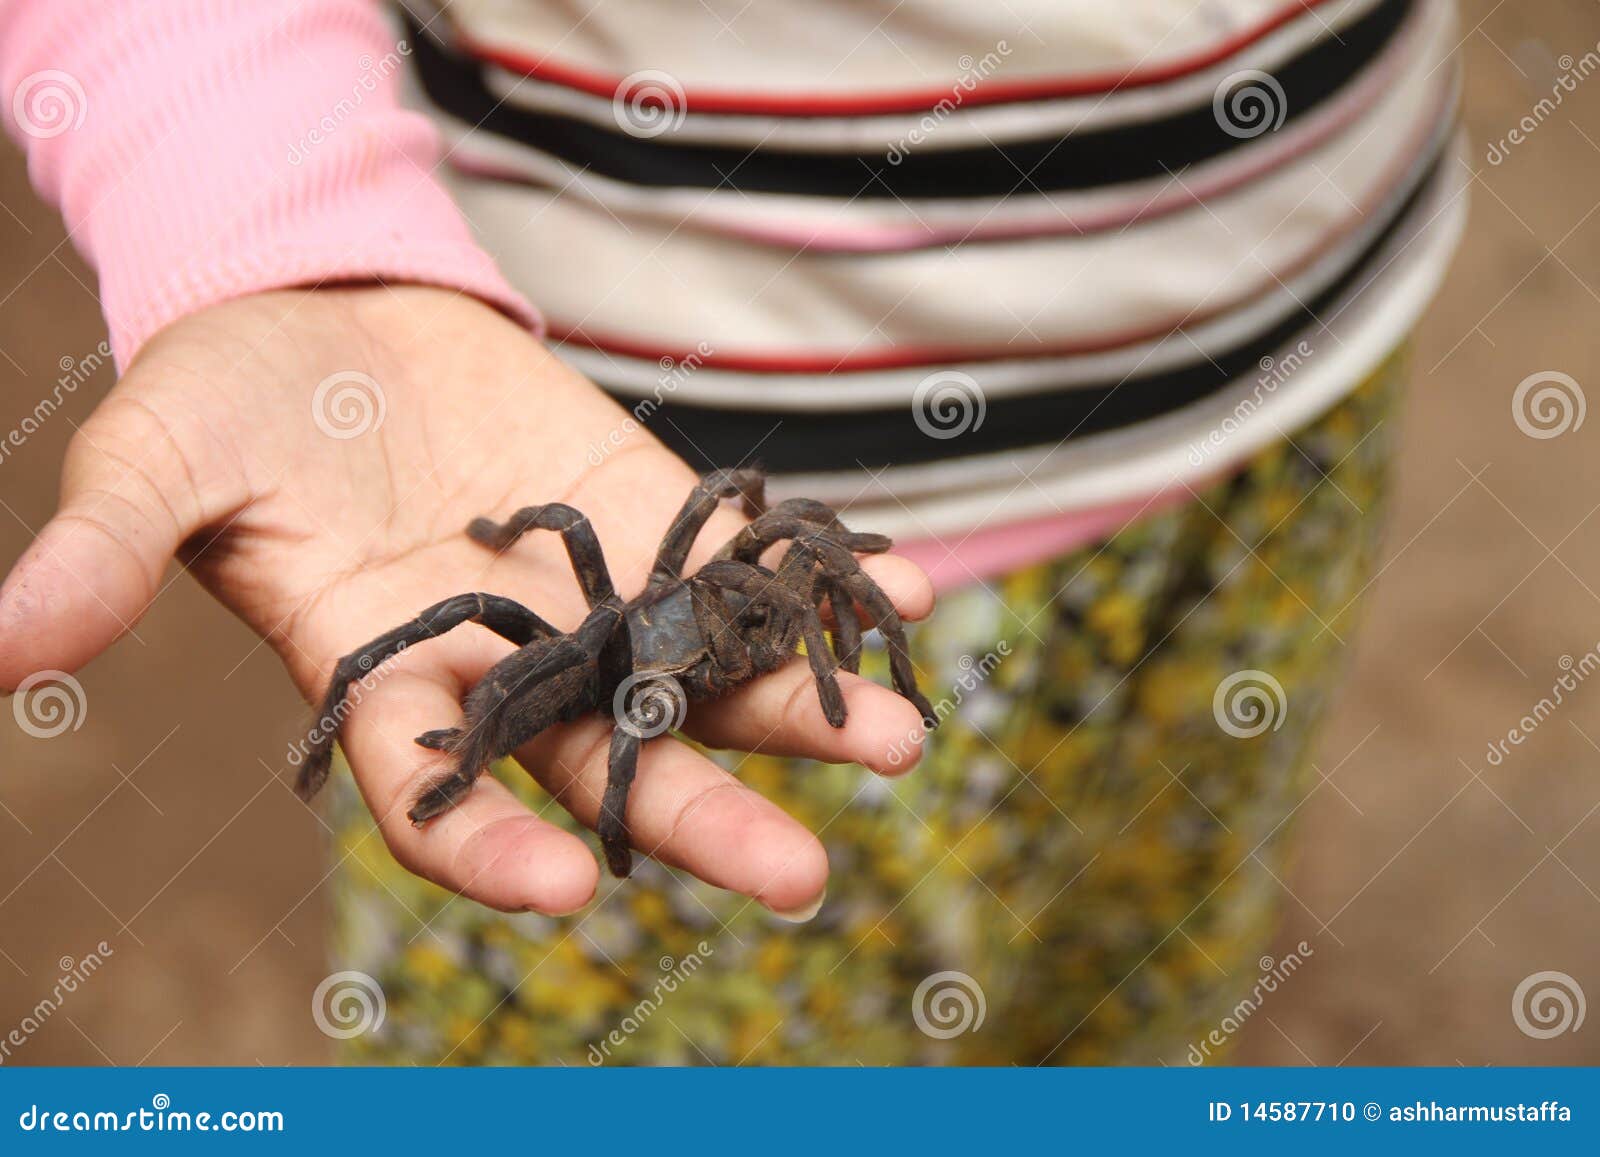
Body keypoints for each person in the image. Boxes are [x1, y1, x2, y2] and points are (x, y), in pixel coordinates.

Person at [0, 0, 1462, 1063]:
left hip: (1301, 321)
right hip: (575, 382)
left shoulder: (747, 577)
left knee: (1121, 949)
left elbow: (769, 536)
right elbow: (608, 650)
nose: (770, 627)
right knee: (506, 722)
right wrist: (251, 215)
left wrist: (824, 650)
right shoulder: (614, 635)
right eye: (770, 624)